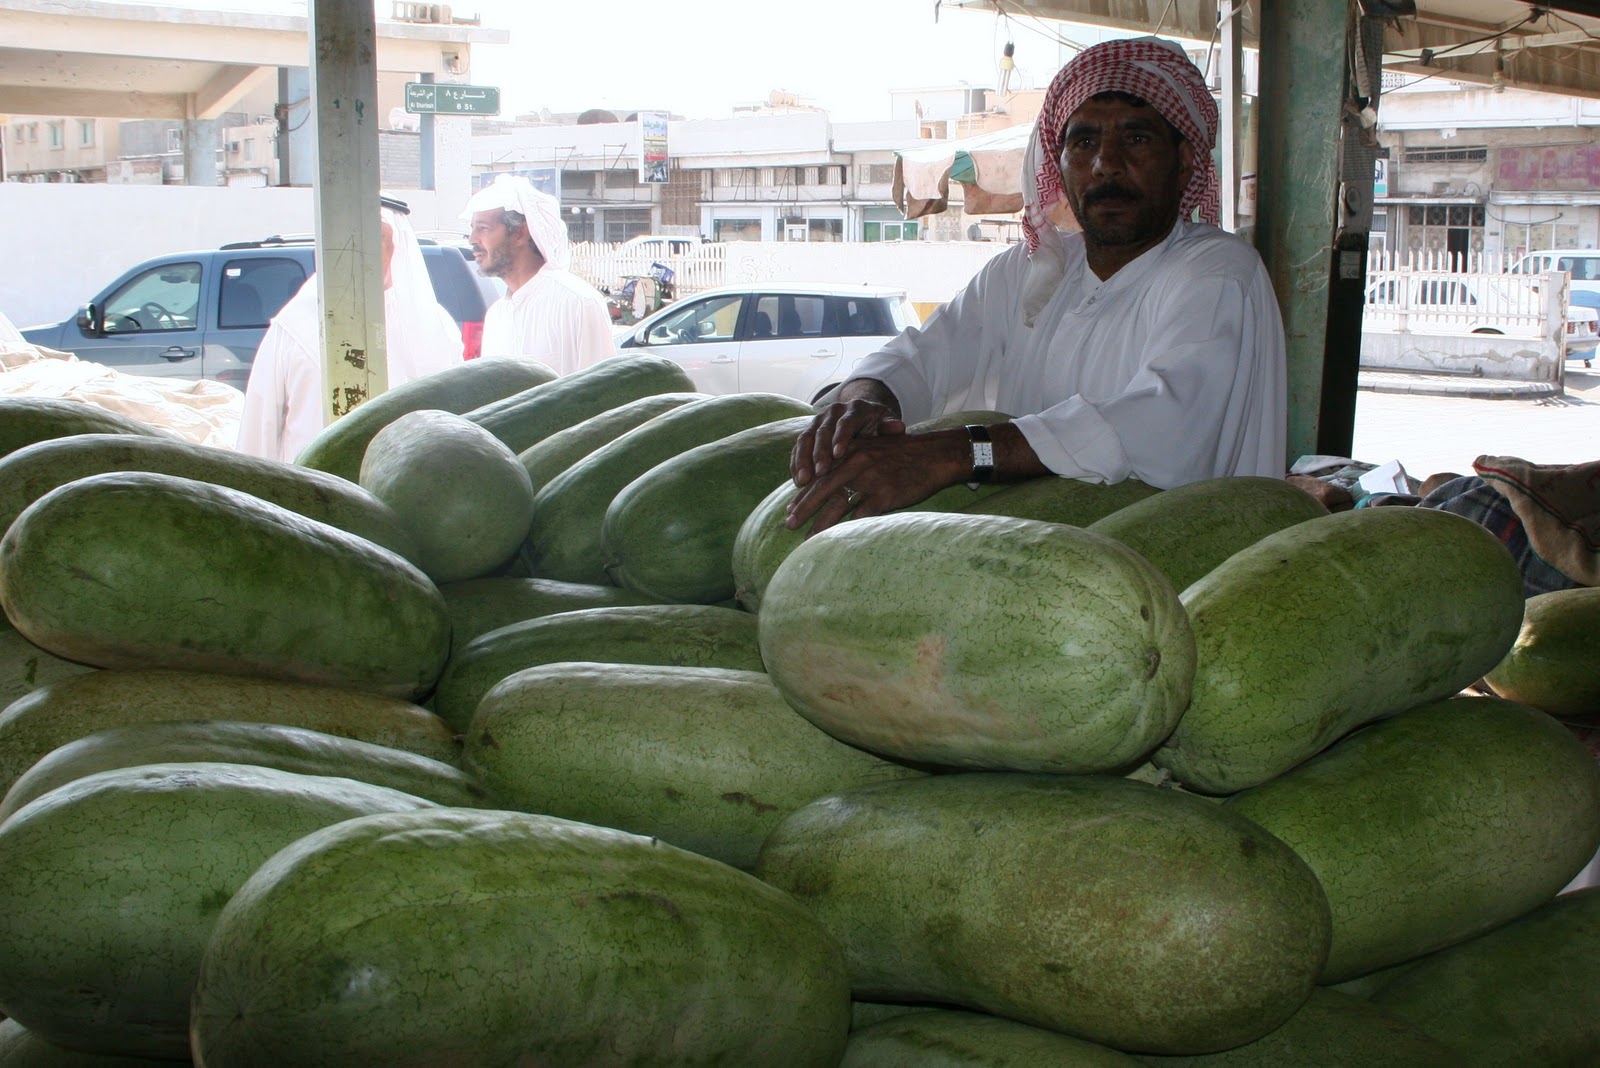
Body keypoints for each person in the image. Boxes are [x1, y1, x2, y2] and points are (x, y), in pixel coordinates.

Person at [787, 36, 1287, 534]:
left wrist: (951, 455)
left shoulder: (1218, 271)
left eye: (1137, 139)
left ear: (1184, 164)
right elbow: (922, 356)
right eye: (1084, 142)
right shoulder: (1025, 271)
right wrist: (864, 400)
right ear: (1058, 162)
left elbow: (1160, 426)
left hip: (1186, 581)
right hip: (1037, 575)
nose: (1106, 164)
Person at [236, 201, 462, 463]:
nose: (362, 250)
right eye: (354, 238)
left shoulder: (435, 325)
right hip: (310, 488)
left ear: (398, 247)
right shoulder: (294, 323)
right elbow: (259, 428)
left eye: (376, 237)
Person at [459, 175, 614, 375]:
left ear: (521, 233)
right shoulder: (497, 314)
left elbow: (603, 391)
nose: (472, 239)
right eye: (472, 229)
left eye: (483, 228)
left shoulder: (577, 302)